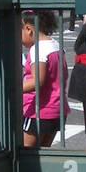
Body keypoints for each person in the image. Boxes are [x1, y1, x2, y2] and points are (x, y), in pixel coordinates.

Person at [21, 9, 64, 147]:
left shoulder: (38, 49)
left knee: (26, 155)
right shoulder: (56, 45)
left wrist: (12, 89)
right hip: (57, 108)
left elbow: (37, 81)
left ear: (28, 29)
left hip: (38, 110)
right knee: (44, 153)